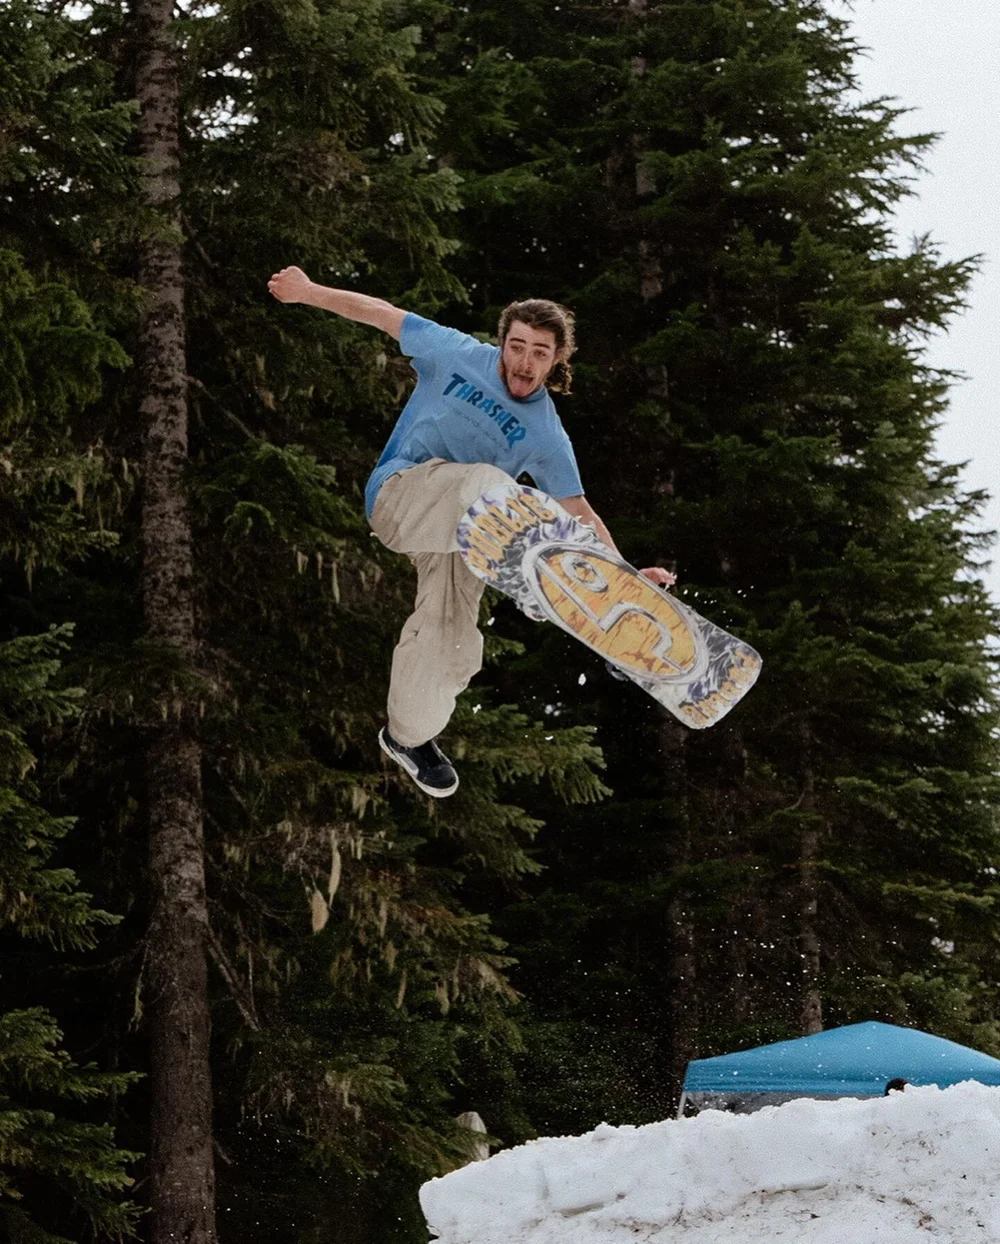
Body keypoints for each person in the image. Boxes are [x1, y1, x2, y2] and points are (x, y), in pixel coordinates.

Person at [267, 266, 674, 797]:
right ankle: (526, 573)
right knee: (486, 482)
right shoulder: (455, 352)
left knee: (453, 641)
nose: (523, 363)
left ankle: (409, 736)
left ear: (557, 361)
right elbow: (382, 314)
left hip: (466, 533)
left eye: (540, 353)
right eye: (517, 346)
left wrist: (623, 581)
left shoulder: (547, 434)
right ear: (501, 342)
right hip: (402, 496)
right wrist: (308, 293)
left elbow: (579, 513)